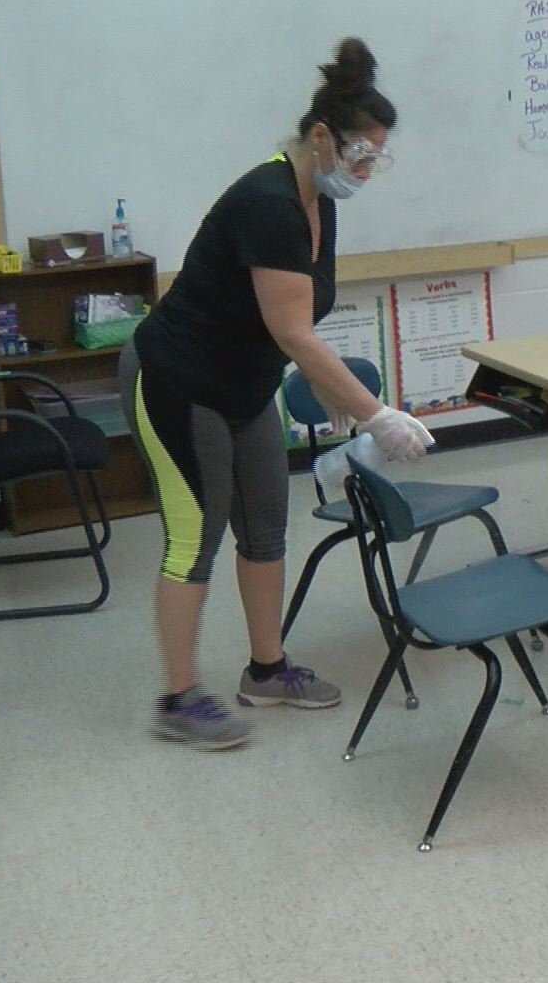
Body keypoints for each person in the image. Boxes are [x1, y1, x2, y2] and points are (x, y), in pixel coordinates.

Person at [120, 38, 434, 750]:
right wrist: (375, 414)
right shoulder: (268, 200)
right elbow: (293, 331)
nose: (367, 171)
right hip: (177, 381)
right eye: (361, 155)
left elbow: (290, 321)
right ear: (320, 137)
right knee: (192, 541)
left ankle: (267, 669)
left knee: (265, 529)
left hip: (244, 382)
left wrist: (334, 393)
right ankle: (177, 699)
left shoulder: (317, 195)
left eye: (377, 158)